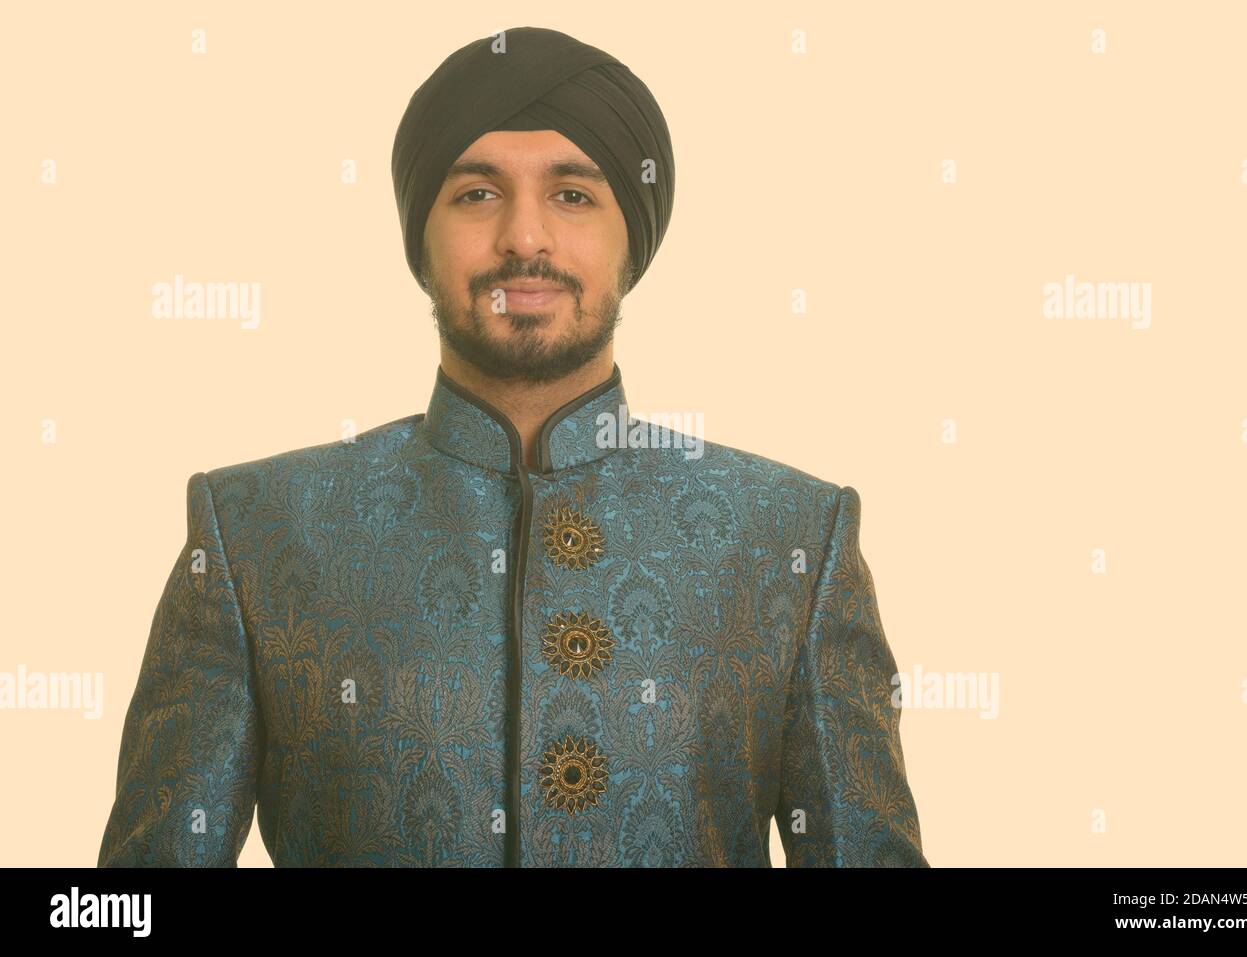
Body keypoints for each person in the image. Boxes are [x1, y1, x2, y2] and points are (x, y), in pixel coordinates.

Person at [97, 25, 928, 868]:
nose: (525, 238)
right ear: (421, 237)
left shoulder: (790, 537)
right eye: (477, 194)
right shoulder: (256, 533)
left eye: (573, 195)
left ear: (629, 239)